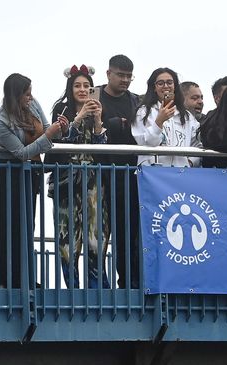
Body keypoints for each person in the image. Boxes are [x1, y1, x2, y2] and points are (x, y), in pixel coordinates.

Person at [0, 73, 65, 288]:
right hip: (6, 171)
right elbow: (21, 152)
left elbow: (46, 129)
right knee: (7, 226)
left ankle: (25, 276)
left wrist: (60, 129)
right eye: (26, 94)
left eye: (31, 93)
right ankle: (6, 280)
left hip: (30, 171)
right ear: (15, 96)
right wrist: (48, 136)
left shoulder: (33, 105)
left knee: (26, 225)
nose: (30, 98)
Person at [47, 66, 108, 289]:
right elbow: (58, 143)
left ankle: (97, 286)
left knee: (96, 235)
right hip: (67, 181)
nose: (83, 90)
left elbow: (103, 148)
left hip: (93, 180)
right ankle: (71, 287)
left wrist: (98, 120)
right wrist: (79, 117)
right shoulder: (61, 110)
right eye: (77, 86)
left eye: (87, 86)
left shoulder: (98, 109)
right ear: (70, 88)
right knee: (67, 238)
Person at [96, 54, 142, 288]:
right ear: (108, 74)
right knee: (99, 235)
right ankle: (97, 285)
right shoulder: (95, 96)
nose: (125, 80)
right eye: (120, 75)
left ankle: (129, 281)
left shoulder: (137, 101)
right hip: (100, 175)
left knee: (130, 232)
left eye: (129, 76)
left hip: (131, 174)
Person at [132, 67, 200, 167]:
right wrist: (159, 122)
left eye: (169, 82)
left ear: (175, 86)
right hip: (152, 172)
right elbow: (146, 143)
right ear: (154, 88)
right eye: (160, 83)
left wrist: (190, 162)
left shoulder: (187, 116)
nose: (165, 86)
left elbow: (197, 144)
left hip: (181, 173)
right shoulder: (143, 112)